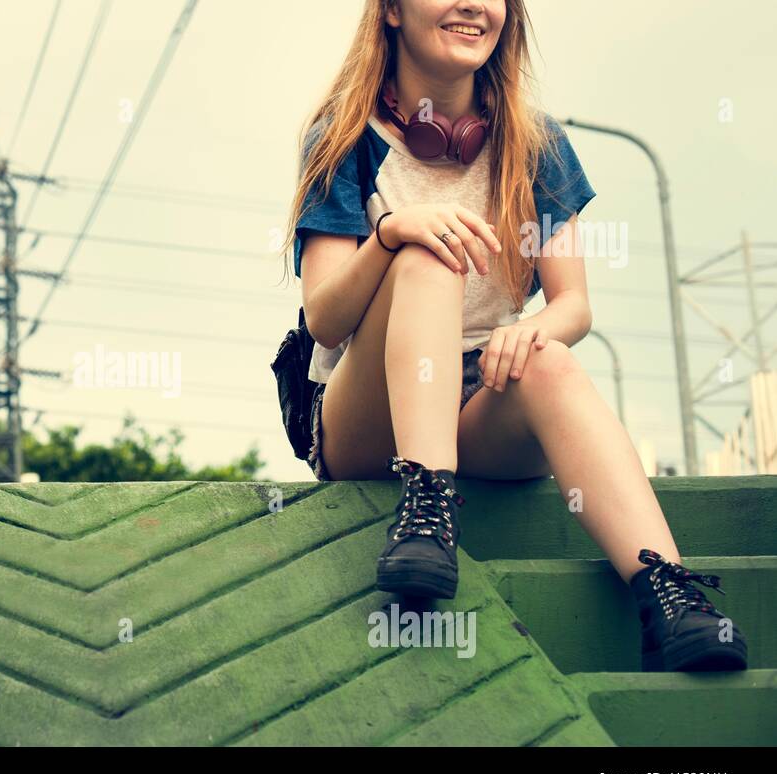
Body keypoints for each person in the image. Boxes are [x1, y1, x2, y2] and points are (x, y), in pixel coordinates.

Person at [280, 0, 746, 672]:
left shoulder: (538, 144)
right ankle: (425, 510)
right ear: (389, 11)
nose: (474, 4)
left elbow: (574, 307)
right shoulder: (344, 136)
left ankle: (668, 594)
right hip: (370, 410)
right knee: (427, 253)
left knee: (550, 362)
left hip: (477, 408)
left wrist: (527, 335)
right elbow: (323, 317)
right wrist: (391, 235)